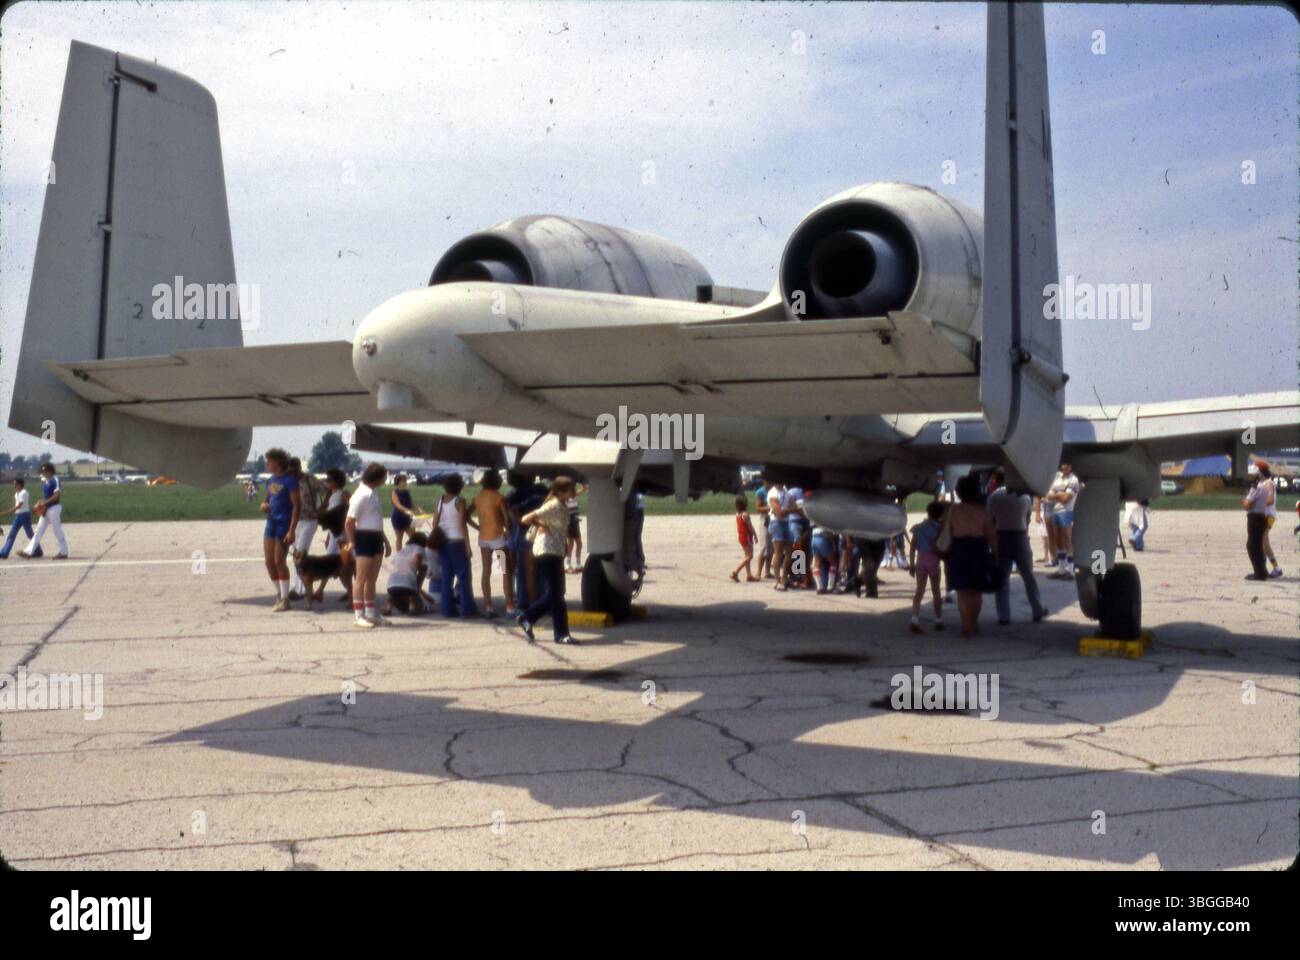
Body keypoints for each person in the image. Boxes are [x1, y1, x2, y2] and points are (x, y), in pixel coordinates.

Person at [516, 475, 577, 645]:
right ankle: (561, 634)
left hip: (555, 551)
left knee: (557, 592)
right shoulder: (553, 505)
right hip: (546, 552)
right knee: (557, 595)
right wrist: (540, 524)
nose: (574, 492)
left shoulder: (563, 504)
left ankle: (527, 617)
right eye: (571, 489)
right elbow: (526, 518)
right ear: (562, 491)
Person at [942, 473, 998, 636]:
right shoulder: (983, 511)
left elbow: (947, 531)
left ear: (958, 492)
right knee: (976, 590)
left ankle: (966, 624)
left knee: (962, 590)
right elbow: (991, 536)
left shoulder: (952, 511)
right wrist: (996, 553)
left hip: (958, 549)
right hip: (978, 548)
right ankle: (973, 622)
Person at [987, 475, 1047, 625]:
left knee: (1003, 578)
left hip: (1001, 536)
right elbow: (1027, 517)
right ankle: (1037, 609)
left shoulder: (993, 497)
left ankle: (1003, 615)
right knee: (1028, 576)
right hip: (1019, 535)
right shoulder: (1024, 496)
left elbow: (990, 518)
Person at [346, 462, 391, 627]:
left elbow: (376, 520)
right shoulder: (361, 495)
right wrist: (352, 542)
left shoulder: (375, 493)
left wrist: (385, 540)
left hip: (376, 537)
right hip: (364, 537)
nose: (385, 480)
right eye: (383, 477)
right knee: (361, 578)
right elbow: (349, 522)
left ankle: (371, 612)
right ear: (376, 477)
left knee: (372, 578)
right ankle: (359, 615)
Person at [255, 449, 299, 610]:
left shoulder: (290, 481)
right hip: (271, 524)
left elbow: (296, 506)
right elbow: (267, 499)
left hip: (283, 524)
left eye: (269, 461)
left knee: (279, 561)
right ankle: (279, 594)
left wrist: (292, 529)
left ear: (277, 462)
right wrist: (264, 505)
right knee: (269, 562)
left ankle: (285, 599)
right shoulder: (270, 481)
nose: (267, 464)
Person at [471, 470, 513, 616]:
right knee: (505, 571)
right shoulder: (499, 497)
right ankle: (509, 605)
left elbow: (466, 516)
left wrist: (478, 527)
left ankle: (488, 605)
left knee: (486, 571)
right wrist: (508, 530)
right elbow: (506, 518)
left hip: (483, 539)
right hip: (497, 538)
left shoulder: (478, 498)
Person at [434, 474, 477, 618]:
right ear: (459, 486)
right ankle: (467, 609)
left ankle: (447, 609)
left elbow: (435, 522)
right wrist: (468, 545)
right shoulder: (460, 501)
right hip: (457, 541)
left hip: (443, 541)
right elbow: (462, 523)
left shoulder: (441, 500)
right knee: (464, 577)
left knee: (447, 577)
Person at [288, 458, 325, 601]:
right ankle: (301, 586)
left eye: (293, 470)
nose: (292, 473)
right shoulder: (289, 482)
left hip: (310, 520)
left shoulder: (310, 480)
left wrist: (321, 509)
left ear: (298, 468)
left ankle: (299, 589)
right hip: (296, 521)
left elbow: (327, 489)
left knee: (300, 553)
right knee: (296, 554)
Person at [507, 471, 546, 609]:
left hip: (524, 536)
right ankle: (541, 599)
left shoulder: (514, 496)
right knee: (540, 570)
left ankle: (528, 603)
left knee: (525, 571)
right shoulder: (541, 490)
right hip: (543, 533)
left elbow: (518, 520)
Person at [908, 500, 946, 632]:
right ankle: (938, 620)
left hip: (921, 560)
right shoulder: (940, 528)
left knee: (919, 591)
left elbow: (912, 547)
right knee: (936, 591)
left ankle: (914, 619)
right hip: (934, 561)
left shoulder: (918, 528)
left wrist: (911, 564)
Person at [20, 463, 69, 560]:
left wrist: (43, 502)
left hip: (54, 508)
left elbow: (56, 496)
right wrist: (40, 504)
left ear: (51, 471)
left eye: (45, 470)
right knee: (38, 530)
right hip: (46, 509)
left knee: (57, 530)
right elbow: (47, 497)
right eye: (43, 470)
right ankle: (28, 551)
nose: (44, 472)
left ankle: (64, 552)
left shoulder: (55, 480)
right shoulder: (46, 482)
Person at [1044, 461, 1081, 579]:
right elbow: (1047, 495)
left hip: (1067, 511)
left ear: (1070, 466)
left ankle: (1071, 571)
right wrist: (1060, 494)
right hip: (1056, 511)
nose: (1064, 467)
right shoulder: (1058, 479)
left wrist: (1056, 495)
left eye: (1067, 465)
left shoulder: (1073, 480)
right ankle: (1061, 570)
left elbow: (1066, 498)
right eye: (1063, 465)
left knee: (1067, 540)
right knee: (1058, 540)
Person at [382, 532, 429, 615]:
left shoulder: (402, 551)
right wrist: (420, 569)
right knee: (424, 569)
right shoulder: (419, 549)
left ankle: (389, 604)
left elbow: (396, 565)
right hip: (408, 587)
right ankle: (413, 603)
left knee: (396, 598)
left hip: (391, 585)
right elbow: (417, 560)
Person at [1242, 466, 1271, 581]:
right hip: (1261, 517)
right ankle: (1261, 571)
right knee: (1257, 546)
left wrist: (1245, 502)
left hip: (1255, 518)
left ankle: (1259, 573)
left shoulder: (1255, 488)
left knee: (1252, 546)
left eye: (1250, 475)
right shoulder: (1262, 487)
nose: (1248, 477)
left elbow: (1247, 505)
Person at [767, 481, 794, 590]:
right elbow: (779, 513)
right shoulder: (772, 493)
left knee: (789, 552)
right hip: (777, 523)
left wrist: (787, 510)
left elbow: (794, 506)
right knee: (778, 552)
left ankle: (784, 578)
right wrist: (791, 509)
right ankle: (777, 580)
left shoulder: (786, 491)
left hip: (787, 522)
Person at [1257, 464, 1283, 578]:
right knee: (1262, 542)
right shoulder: (1262, 484)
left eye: (1258, 472)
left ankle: (1276, 568)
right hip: (1263, 516)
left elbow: (1270, 500)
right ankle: (1265, 568)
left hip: (1269, 516)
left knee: (1263, 541)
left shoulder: (1268, 483)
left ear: (1261, 472)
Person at [0, 477, 34, 560]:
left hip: (25, 515)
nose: (14, 485)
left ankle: (37, 550)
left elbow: (19, 505)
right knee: (12, 534)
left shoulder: (24, 493)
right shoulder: (17, 493)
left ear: (19, 484)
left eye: (15, 483)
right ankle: (4, 553)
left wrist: (6, 512)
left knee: (30, 534)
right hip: (18, 515)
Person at [730, 494, 759, 582]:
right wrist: (755, 534)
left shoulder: (738, 514)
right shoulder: (745, 515)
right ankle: (736, 571)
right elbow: (750, 526)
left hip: (741, 536)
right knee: (750, 556)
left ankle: (749, 574)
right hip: (746, 536)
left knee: (747, 556)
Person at [753, 477, 774, 579]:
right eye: (766, 481)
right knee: (764, 547)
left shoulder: (774, 491)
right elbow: (757, 508)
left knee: (771, 548)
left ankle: (767, 571)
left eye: (769, 481)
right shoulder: (760, 492)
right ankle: (758, 572)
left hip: (774, 519)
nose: (767, 483)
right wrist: (770, 508)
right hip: (765, 519)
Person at [389, 473, 417, 552]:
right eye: (403, 481)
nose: (405, 482)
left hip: (408, 517)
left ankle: (412, 553)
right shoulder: (394, 492)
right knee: (399, 538)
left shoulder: (407, 492)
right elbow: (397, 505)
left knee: (414, 537)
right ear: (398, 482)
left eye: (405, 481)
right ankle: (399, 556)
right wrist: (408, 511)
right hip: (398, 517)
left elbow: (411, 503)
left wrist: (418, 510)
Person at [564, 482, 586, 573]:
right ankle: (567, 563)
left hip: (575, 520)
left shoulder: (574, 495)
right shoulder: (565, 497)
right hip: (569, 521)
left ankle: (578, 563)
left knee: (579, 543)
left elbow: (584, 488)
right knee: (571, 543)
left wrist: (581, 481)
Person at [1033, 496, 1051, 564]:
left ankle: (1052, 556)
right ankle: (1046, 556)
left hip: (1054, 510)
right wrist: (1037, 514)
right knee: (1044, 536)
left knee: (1051, 535)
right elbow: (1038, 499)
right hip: (1044, 511)